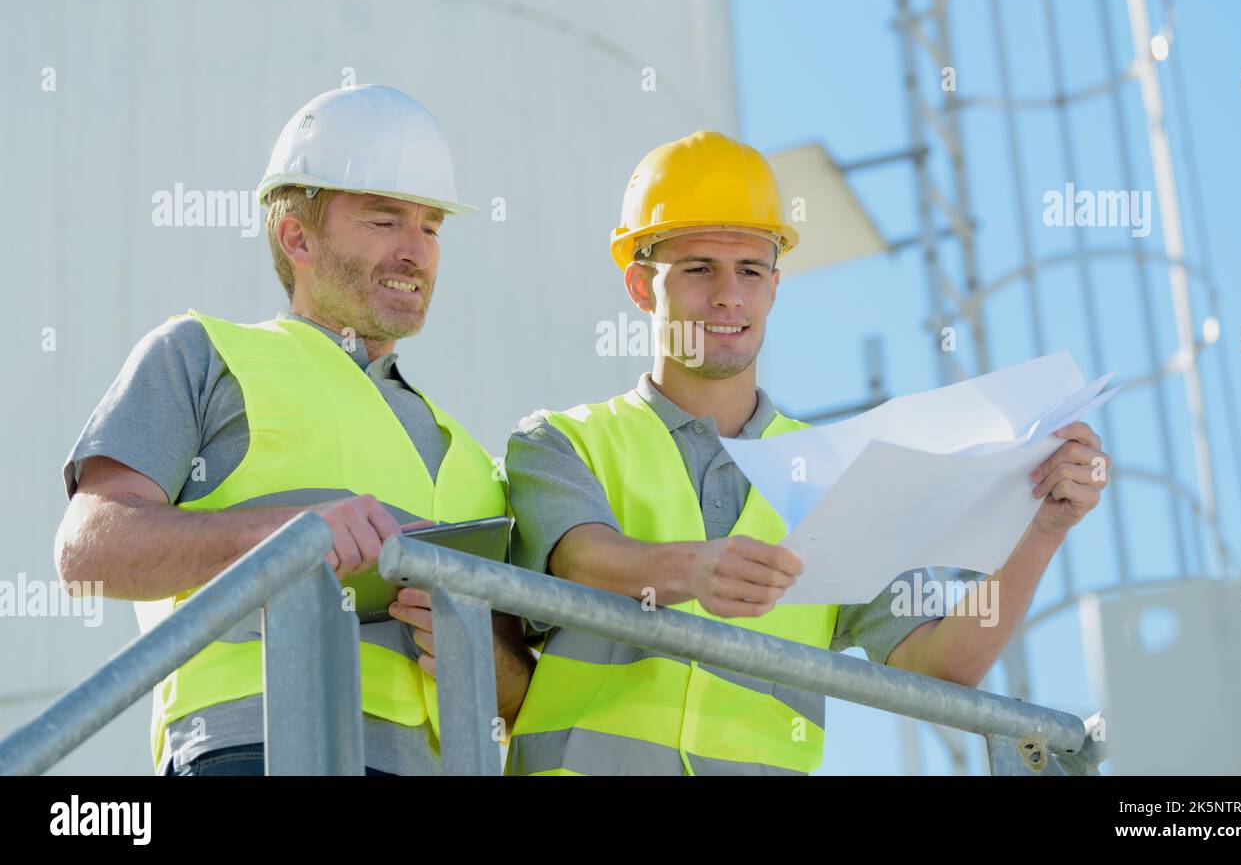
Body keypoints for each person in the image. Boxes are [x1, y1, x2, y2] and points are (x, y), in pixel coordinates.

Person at [454, 129, 1109, 775]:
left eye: (750, 270)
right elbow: (581, 561)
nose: (728, 296)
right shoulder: (561, 441)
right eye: (697, 269)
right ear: (637, 285)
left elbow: (939, 667)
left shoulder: (839, 474)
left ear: (774, 286)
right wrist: (695, 571)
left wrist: (1042, 530)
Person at [55, 84, 535, 776]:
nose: (416, 251)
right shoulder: (203, 355)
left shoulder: (469, 456)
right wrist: (286, 540)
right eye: (384, 220)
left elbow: (524, 696)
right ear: (296, 236)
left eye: (430, 226)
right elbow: (87, 553)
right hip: (255, 752)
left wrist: (484, 652)